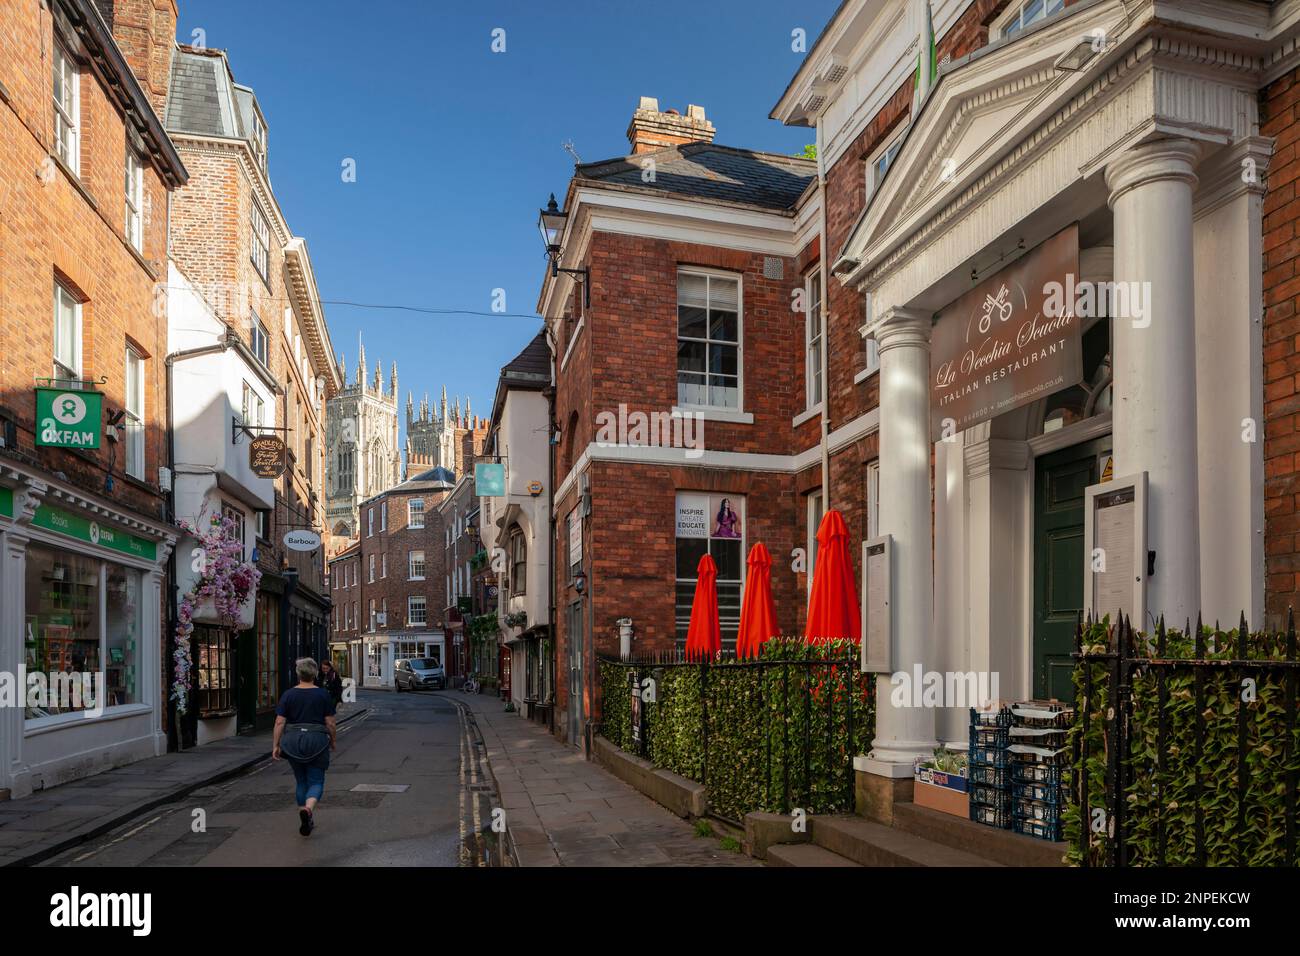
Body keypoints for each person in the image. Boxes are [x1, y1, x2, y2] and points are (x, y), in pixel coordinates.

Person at [272, 658, 337, 836]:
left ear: (298, 674)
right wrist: (332, 740)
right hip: (316, 740)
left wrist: (276, 745)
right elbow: (330, 723)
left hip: (293, 741)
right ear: (315, 674)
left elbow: (279, 722)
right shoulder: (322, 694)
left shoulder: (288, 695)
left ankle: (304, 811)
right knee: (316, 781)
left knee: (301, 781)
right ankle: (308, 810)